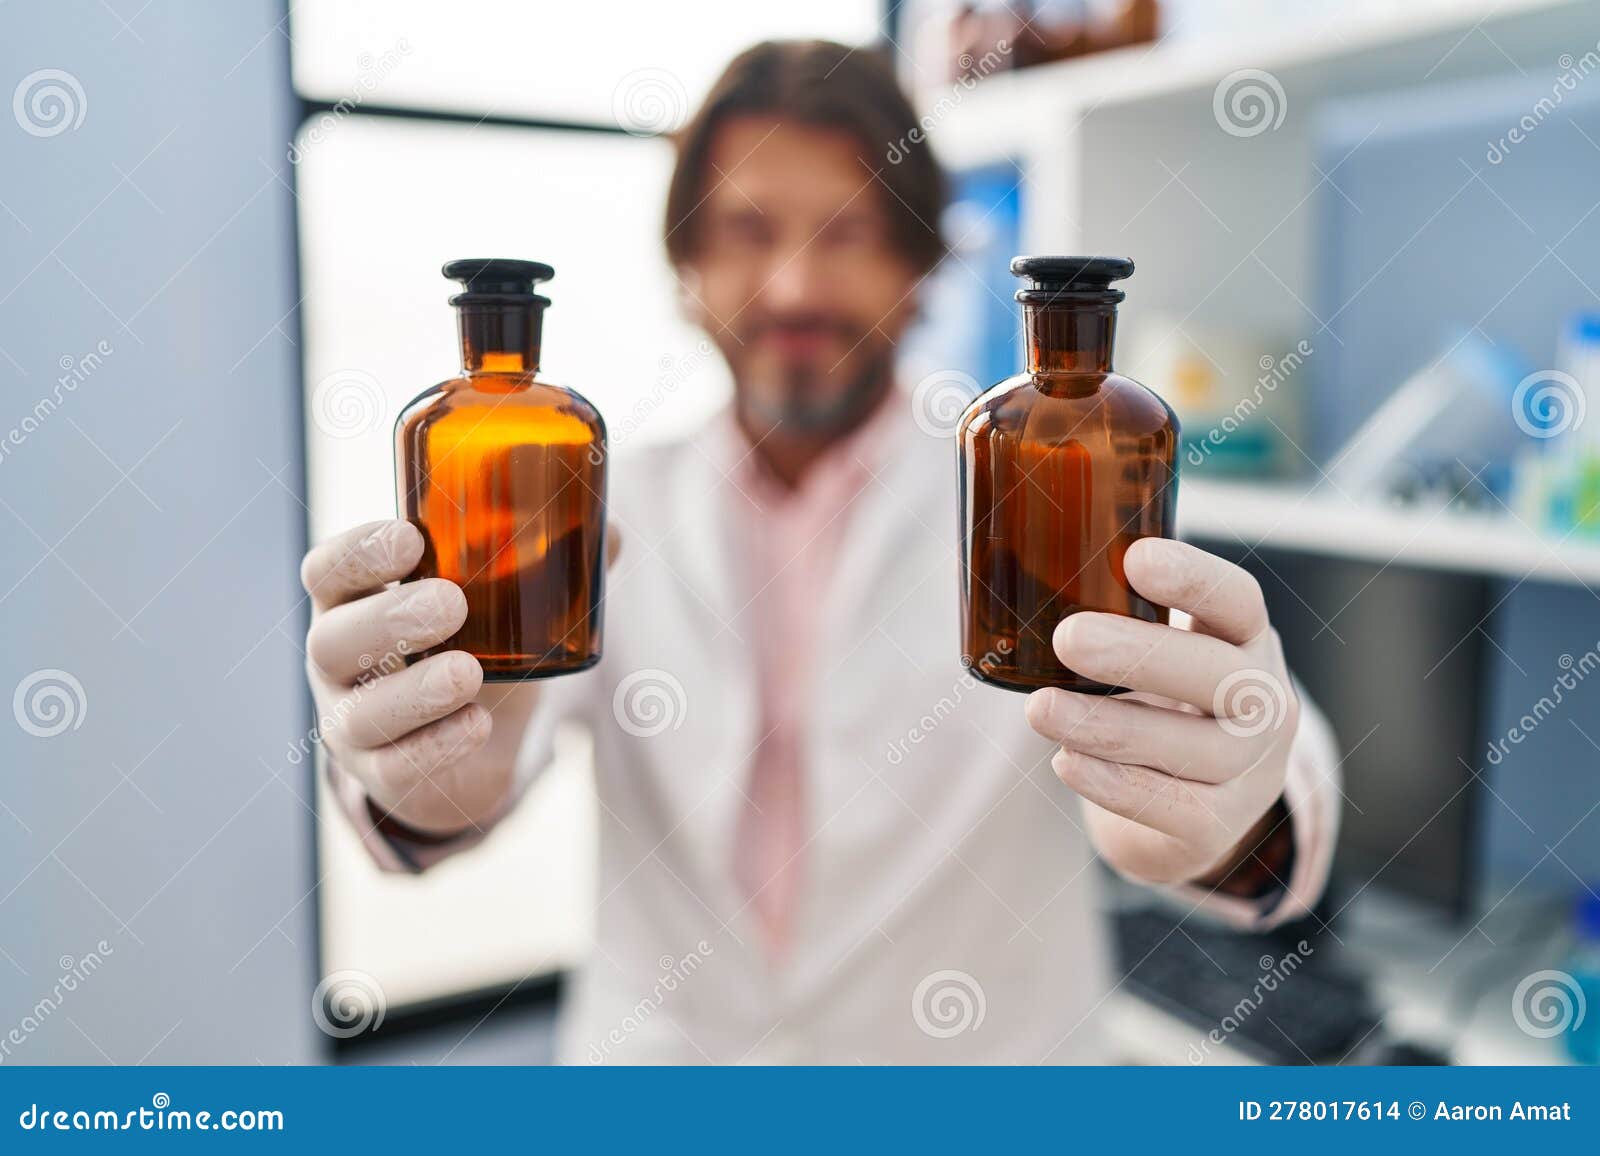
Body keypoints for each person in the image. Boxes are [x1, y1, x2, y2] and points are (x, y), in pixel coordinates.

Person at [300, 40, 1340, 1064]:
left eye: (847, 233)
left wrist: (1225, 813)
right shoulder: (589, 497)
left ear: (919, 265)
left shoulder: (1046, 480)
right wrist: (427, 764)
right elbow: (459, 784)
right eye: (748, 230)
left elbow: (1253, 735)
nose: (794, 286)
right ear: (687, 265)